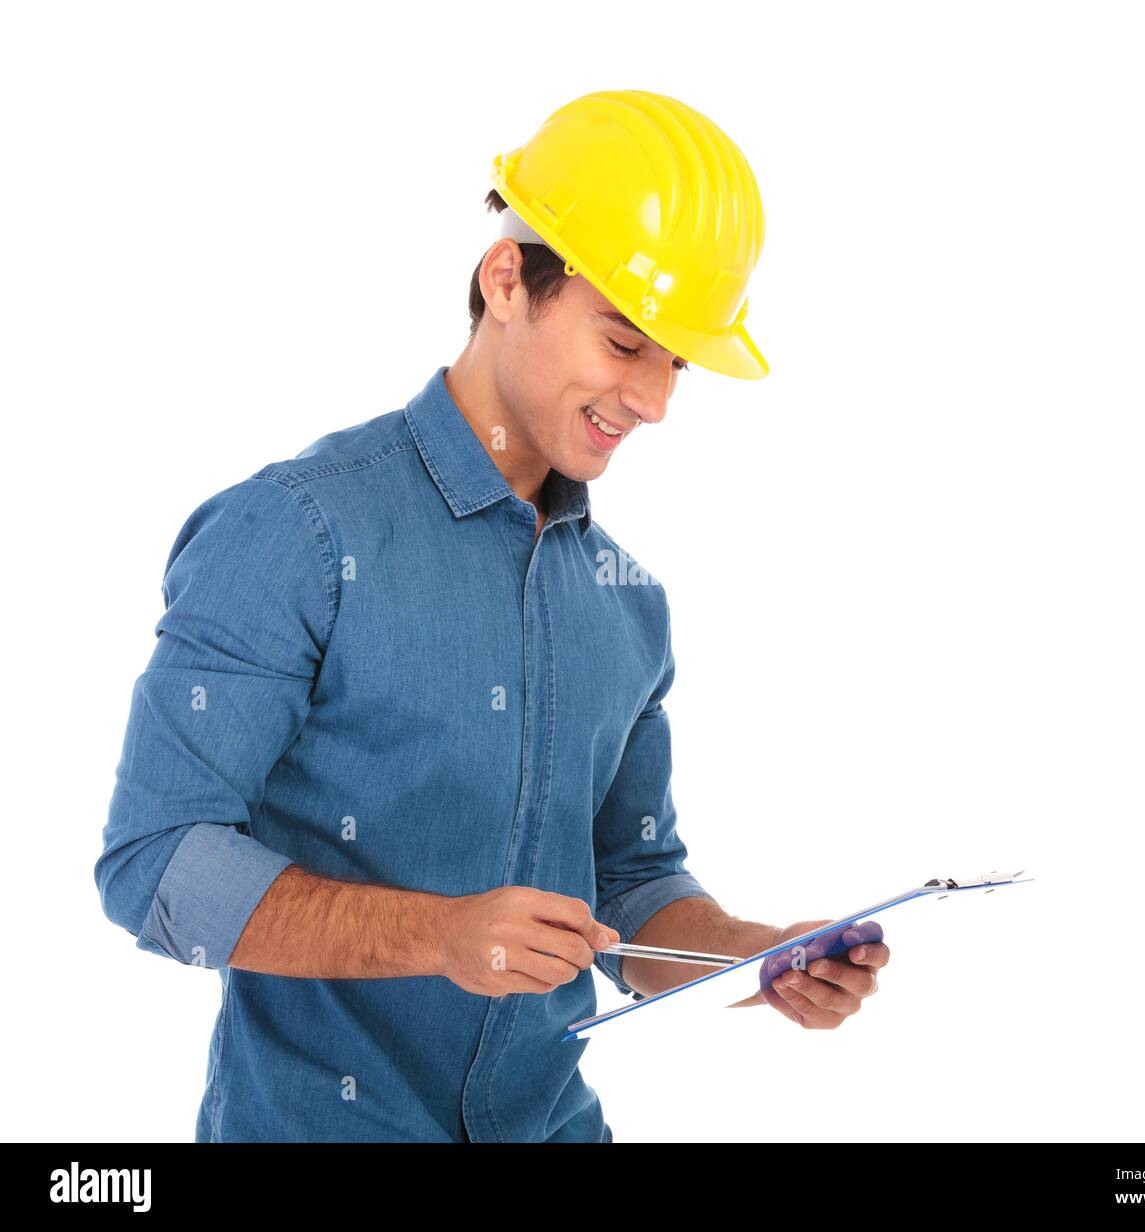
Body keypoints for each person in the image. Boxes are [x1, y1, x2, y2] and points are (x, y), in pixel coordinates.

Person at [94, 89, 889, 1143]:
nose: (653, 399)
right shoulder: (296, 530)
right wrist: (439, 935)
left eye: (675, 361)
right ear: (506, 278)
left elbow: (630, 883)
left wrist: (753, 953)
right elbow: (154, 861)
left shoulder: (628, 605)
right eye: (624, 341)